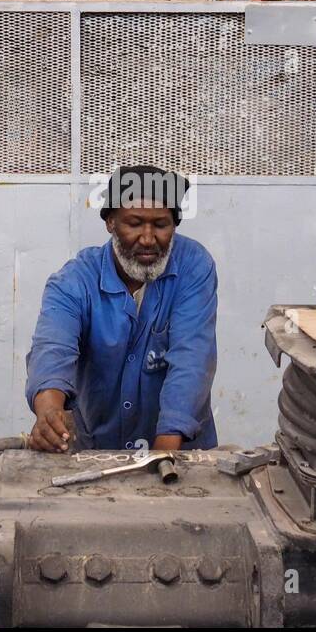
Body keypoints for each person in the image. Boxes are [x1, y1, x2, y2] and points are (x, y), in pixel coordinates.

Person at [24, 165, 218, 452]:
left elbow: (192, 358)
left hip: (178, 449)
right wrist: (49, 411)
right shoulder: (74, 280)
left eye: (161, 225)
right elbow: (53, 348)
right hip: (98, 449)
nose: (148, 238)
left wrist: (166, 450)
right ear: (111, 222)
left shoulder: (194, 266)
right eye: (134, 223)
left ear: (174, 225)